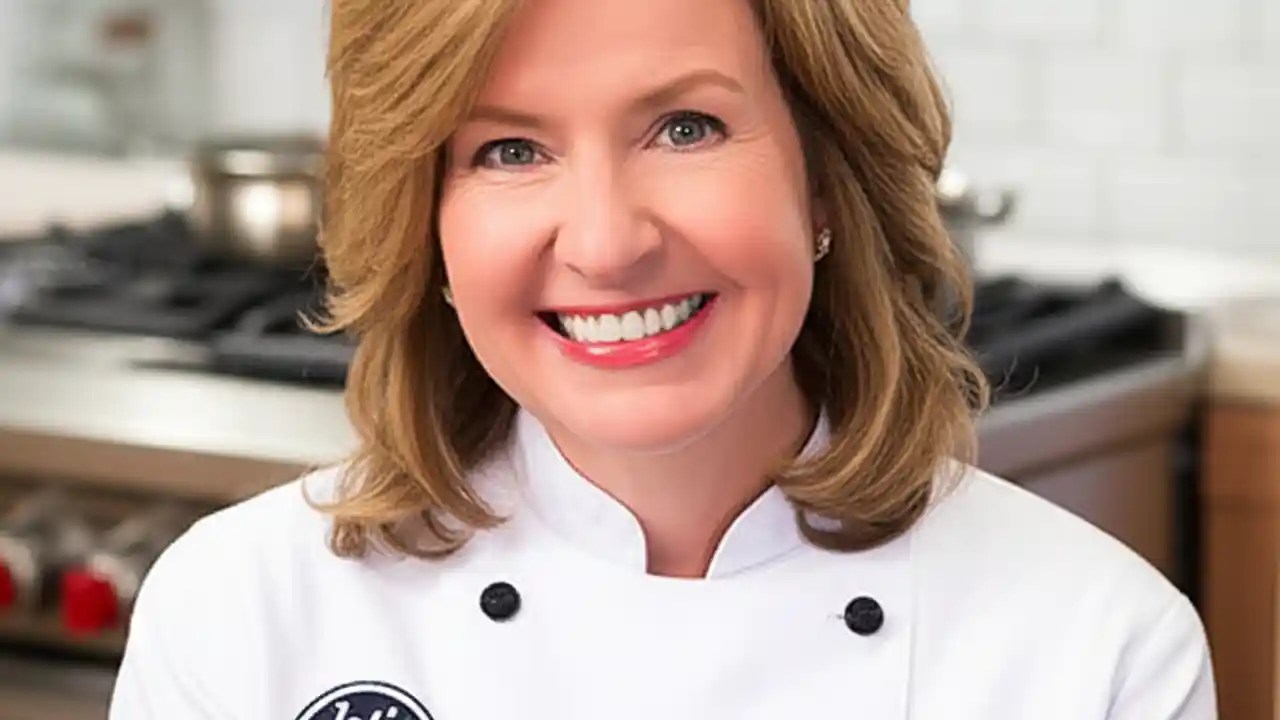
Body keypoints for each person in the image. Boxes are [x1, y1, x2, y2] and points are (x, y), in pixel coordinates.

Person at [109, 0, 1217, 717]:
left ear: (825, 182)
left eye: (683, 127)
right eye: (507, 150)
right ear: (424, 230)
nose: (604, 242)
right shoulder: (242, 613)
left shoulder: (1091, 650)